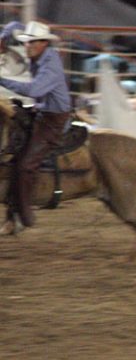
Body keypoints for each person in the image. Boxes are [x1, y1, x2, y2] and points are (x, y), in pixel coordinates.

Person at [0, 21, 71, 233]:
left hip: (53, 119)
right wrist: (4, 37)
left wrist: (1, 80)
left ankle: (24, 216)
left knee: (25, 165)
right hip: (42, 111)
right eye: (26, 42)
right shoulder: (40, 56)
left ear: (43, 43)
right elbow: (15, 24)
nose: (27, 46)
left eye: (31, 43)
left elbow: (35, 89)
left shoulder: (51, 64)